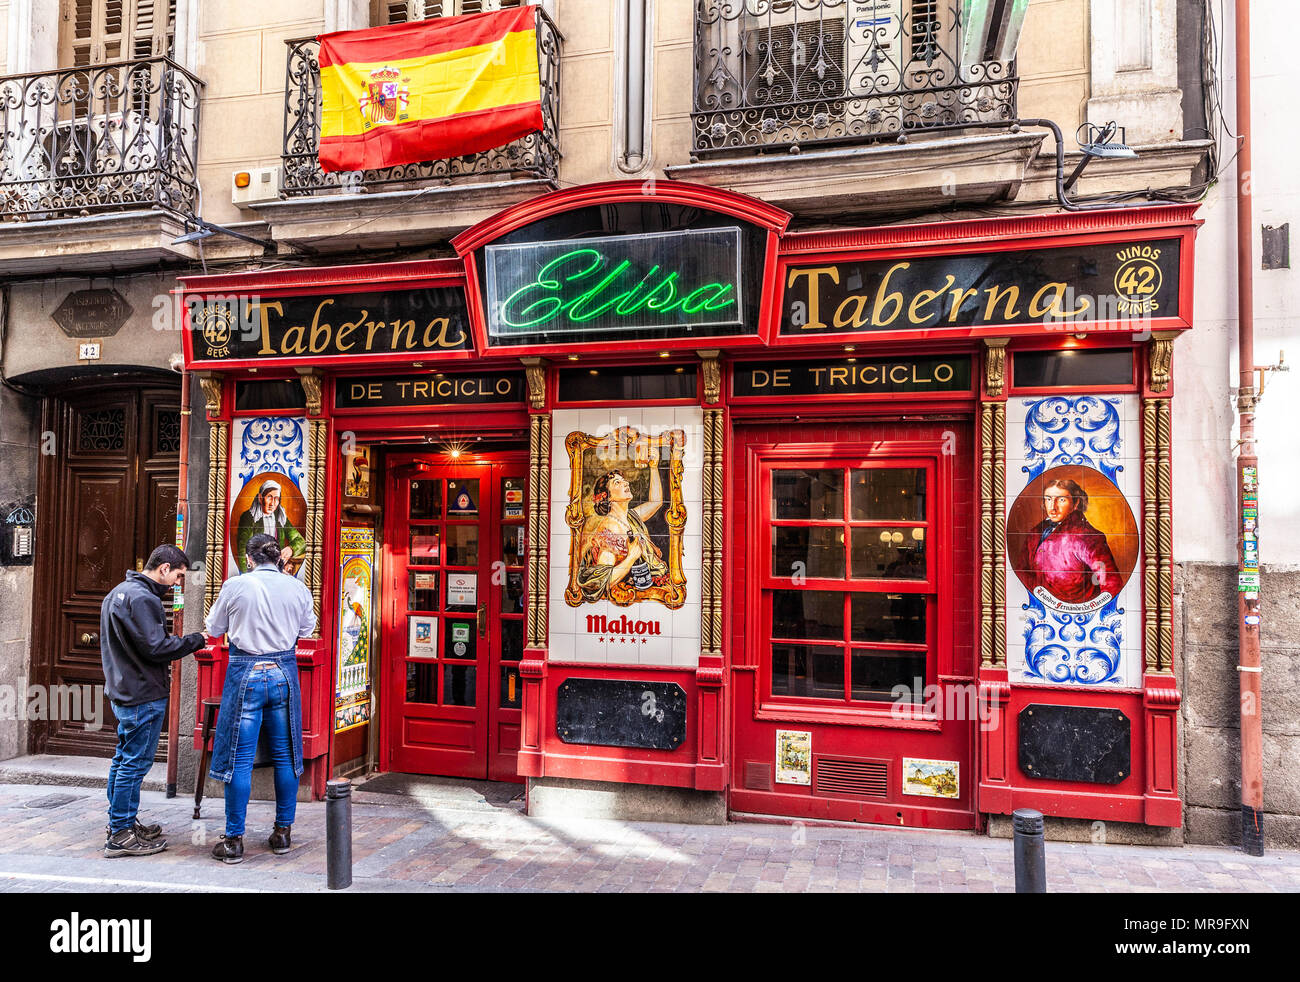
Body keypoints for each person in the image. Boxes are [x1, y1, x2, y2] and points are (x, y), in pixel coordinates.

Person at [204, 533, 316, 864]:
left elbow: (214, 627)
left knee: (239, 758)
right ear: (277, 558)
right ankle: (282, 833)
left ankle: (234, 839)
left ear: (250, 559)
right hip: (283, 672)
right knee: (284, 754)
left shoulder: (235, 585)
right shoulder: (296, 586)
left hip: (246, 672)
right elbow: (306, 630)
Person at [100, 545, 206, 858]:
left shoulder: (118, 593)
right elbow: (156, 647)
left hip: (125, 689)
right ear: (163, 569)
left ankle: (122, 822)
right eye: (178, 575)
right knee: (134, 763)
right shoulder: (143, 598)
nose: (177, 582)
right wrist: (194, 641)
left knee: (124, 759)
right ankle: (120, 832)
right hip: (142, 693)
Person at [576, 445, 667, 603]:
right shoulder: (609, 531)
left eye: (624, 480)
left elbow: (656, 501)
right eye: (617, 483)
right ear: (608, 497)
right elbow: (600, 583)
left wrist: (653, 467)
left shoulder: (629, 516)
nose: (625, 483)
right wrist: (631, 557)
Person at [1021, 478, 1123, 604]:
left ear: (1076, 503)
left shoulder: (1088, 537)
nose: (1053, 507)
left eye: (1061, 500)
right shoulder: (1035, 533)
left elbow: (1111, 585)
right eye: (1048, 499)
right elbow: (1022, 573)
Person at [234, 479, 306, 573]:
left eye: (276, 498)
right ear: (260, 498)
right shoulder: (249, 517)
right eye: (269, 497)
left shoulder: (280, 517)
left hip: (276, 569)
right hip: (257, 570)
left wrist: (291, 549)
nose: (272, 503)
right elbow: (243, 552)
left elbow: (301, 541)